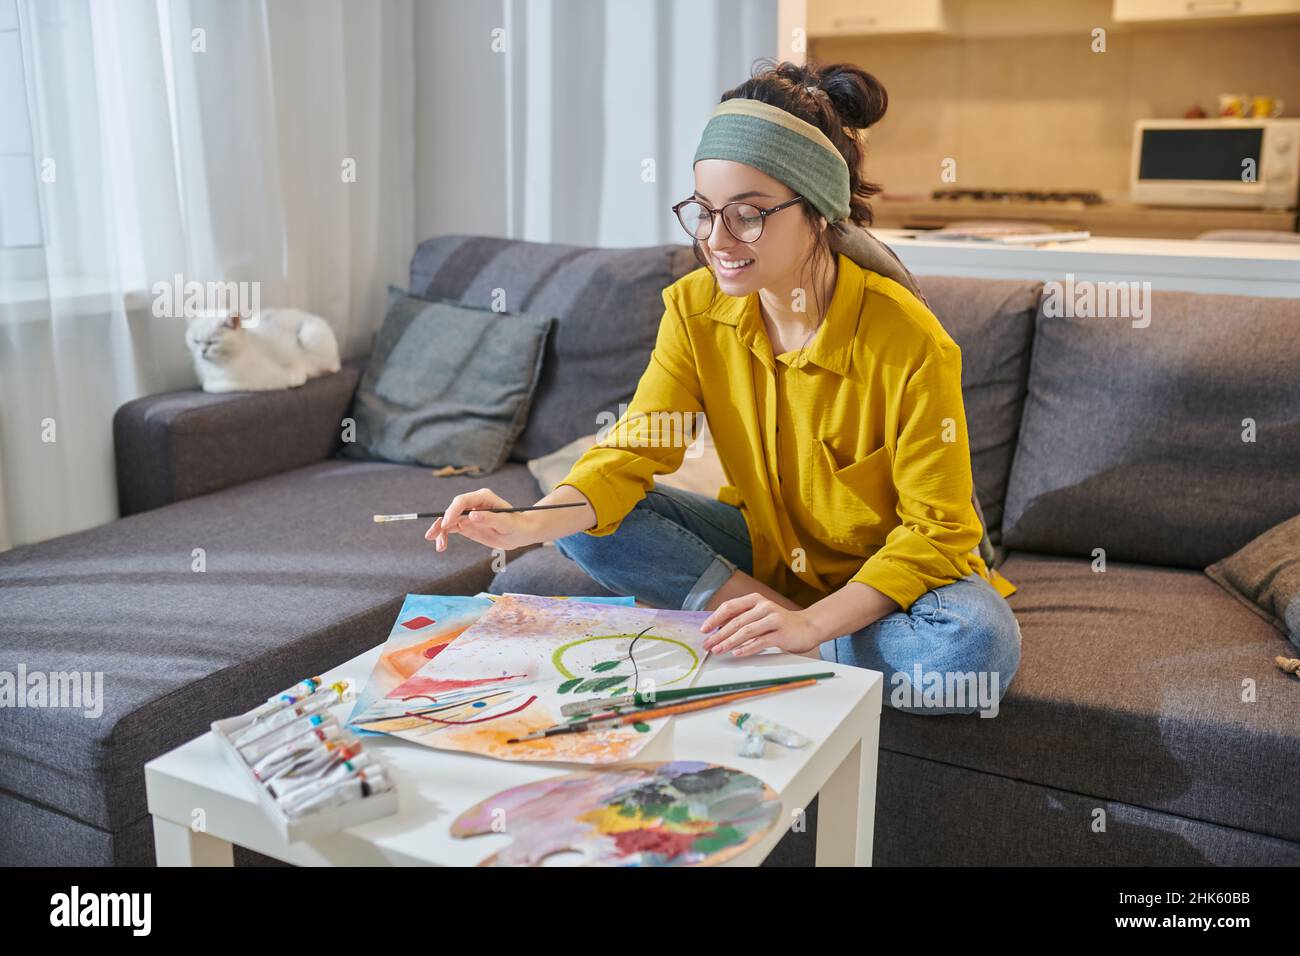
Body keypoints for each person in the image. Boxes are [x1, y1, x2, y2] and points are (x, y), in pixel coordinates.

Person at [426, 59, 1021, 716]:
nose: (717, 240)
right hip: (769, 552)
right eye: (704, 213)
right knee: (580, 516)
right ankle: (770, 622)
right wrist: (524, 526)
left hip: (896, 580)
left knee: (973, 654)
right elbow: (635, 449)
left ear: (820, 211)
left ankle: (788, 640)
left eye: (748, 215)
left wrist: (814, 627)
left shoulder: (908, 339)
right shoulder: (695, 309)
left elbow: (938, 533)